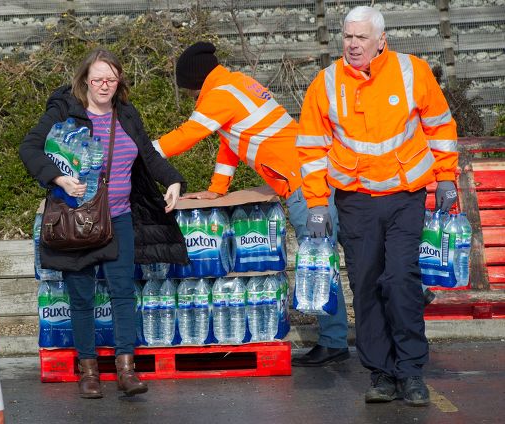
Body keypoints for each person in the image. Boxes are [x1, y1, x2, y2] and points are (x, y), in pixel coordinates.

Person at [296, 6, 458, 407]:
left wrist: (447, 177)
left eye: (360, 38)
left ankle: (411, 371)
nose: (352, 44)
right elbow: (312, 147)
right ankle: (381, 374)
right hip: (355, 200)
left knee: (401, 280)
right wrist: (317, 203)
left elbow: (440, 126)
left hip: (406, 195)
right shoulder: (327, 82)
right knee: (366, 285)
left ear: (380, 40)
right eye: (347, 37)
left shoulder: (412, 71)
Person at [153, 41, 350, 366]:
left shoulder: (221, 95)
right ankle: (403, 299)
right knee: (352, 253)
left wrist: (147, 151)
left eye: (187, 89)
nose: (188, 96)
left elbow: (189, 133)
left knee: (318, 262)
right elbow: (232, 142)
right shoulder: (237, 84)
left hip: (303, 184)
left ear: (194, 80)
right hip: (315, 173)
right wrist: (217, 189)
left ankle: (334, 341)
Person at [20, 48, 188, 399]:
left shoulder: (126, 114)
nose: (104, 85)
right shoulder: (64, 111)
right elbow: (30, 148)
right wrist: (58, 179)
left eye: (111, 79)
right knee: (80, 297)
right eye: (97, 78)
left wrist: (173, 181)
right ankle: (89, 370)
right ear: (84, 80)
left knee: (123, 292)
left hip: (120, 217)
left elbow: (148, 155)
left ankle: (126, 369)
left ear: (119, 81)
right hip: (74, 220)